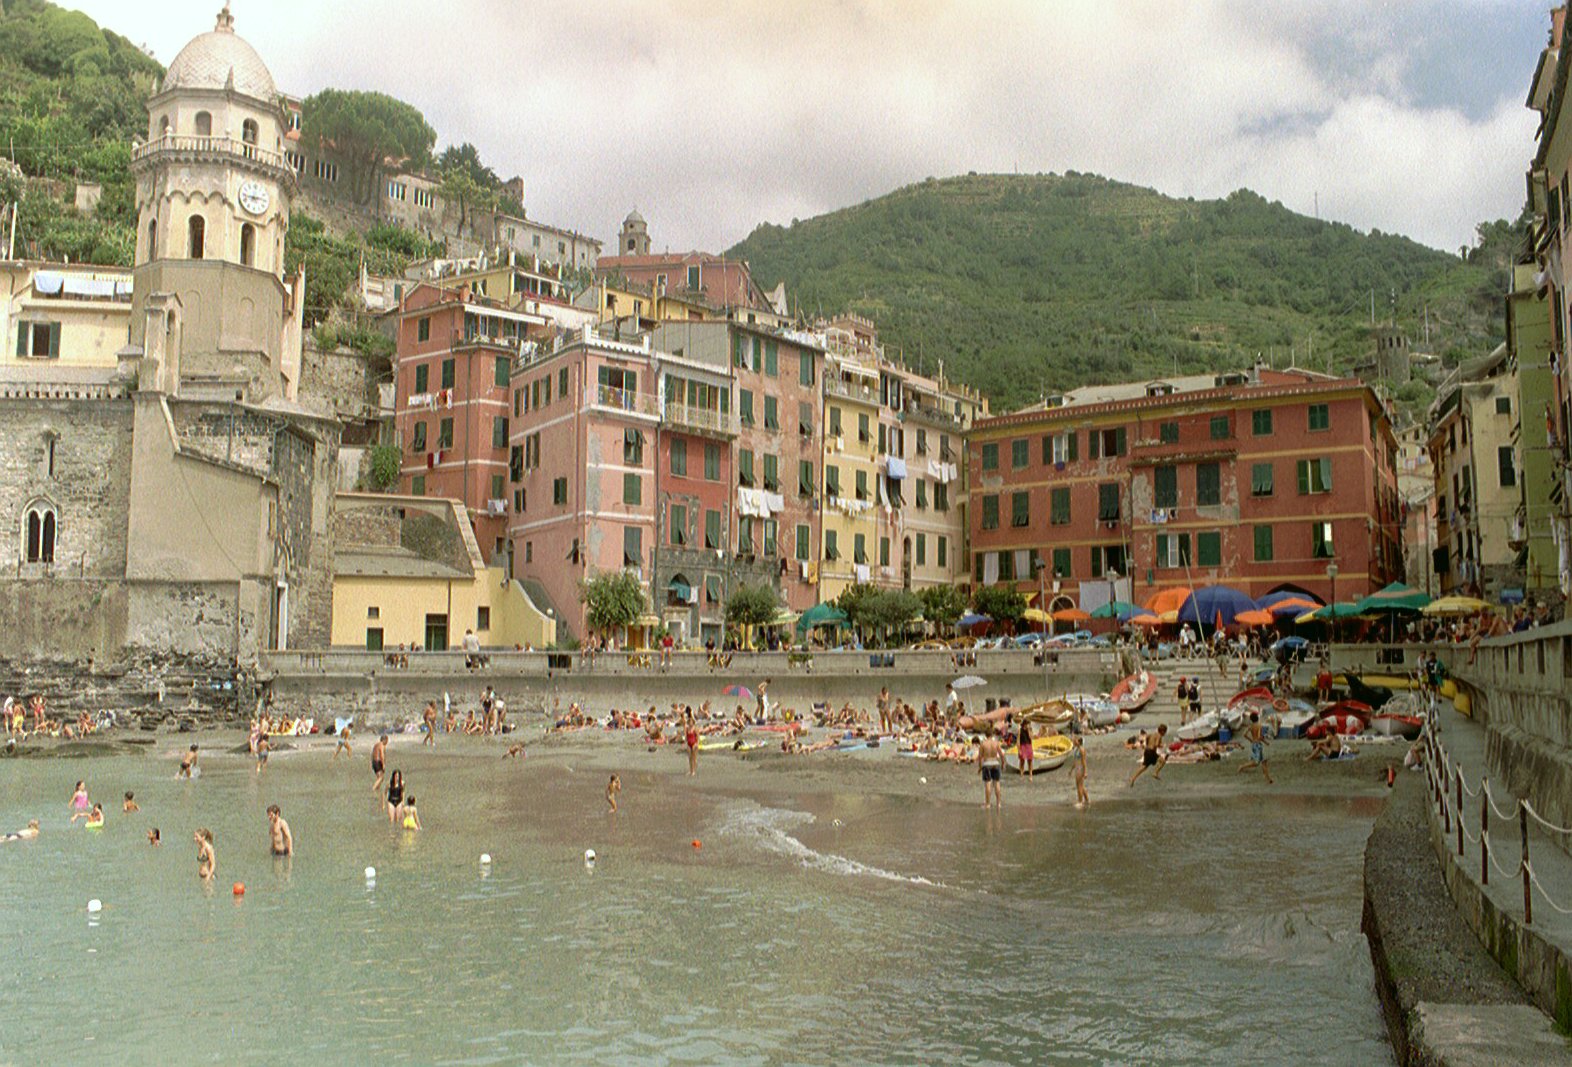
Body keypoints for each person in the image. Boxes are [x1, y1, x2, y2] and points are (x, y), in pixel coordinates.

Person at [1237, 711, 1273, 784]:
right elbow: (1260, 737)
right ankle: (1242, 767)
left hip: (1254, 743)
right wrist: (1266, 742)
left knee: (1263, 762)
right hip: (1258, 745)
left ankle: (1268, 779)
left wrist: (1251, 740)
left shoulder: (1251, 726)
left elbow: (1244, 734)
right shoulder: (1259, 726)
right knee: (1256, 763)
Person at [977, 732, 1003, 809]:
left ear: (985, 735)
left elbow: (980, 757)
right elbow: (1001, 754)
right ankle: (998, 803)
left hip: (987, 764)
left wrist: (980, 767)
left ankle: (988, 804)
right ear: (992, 735)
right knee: (997, 783)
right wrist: (1003, 763)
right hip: (995, 763)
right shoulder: (996, 743)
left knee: (988, 784)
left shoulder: (983, 744)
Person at [1070, 736, 1089, 808]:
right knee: (1080, 785)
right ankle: (1087, 800)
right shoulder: (1076, 749)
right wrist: (1071, 770)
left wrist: (1085, 772)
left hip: (1080, 768)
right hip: (1077, 768)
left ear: (1079, 742)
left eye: (1076, 741)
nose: (1074, 741)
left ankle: (1080, 802)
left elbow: (1084, 761)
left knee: (1079, 786)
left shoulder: (1081, 750)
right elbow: (1075, 761)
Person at [684, 712, 699, 777]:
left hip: (694, 743)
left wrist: (697, 744)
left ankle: (694, 771)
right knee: (690, 758)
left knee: (694, 757)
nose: (690, 723)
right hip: (689, 743)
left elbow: (698, 737)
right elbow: (686, 736)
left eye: (691, 722)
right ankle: (690, 770)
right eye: (689, 722)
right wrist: (686, 743)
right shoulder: (687, 729)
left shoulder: (695, 728)